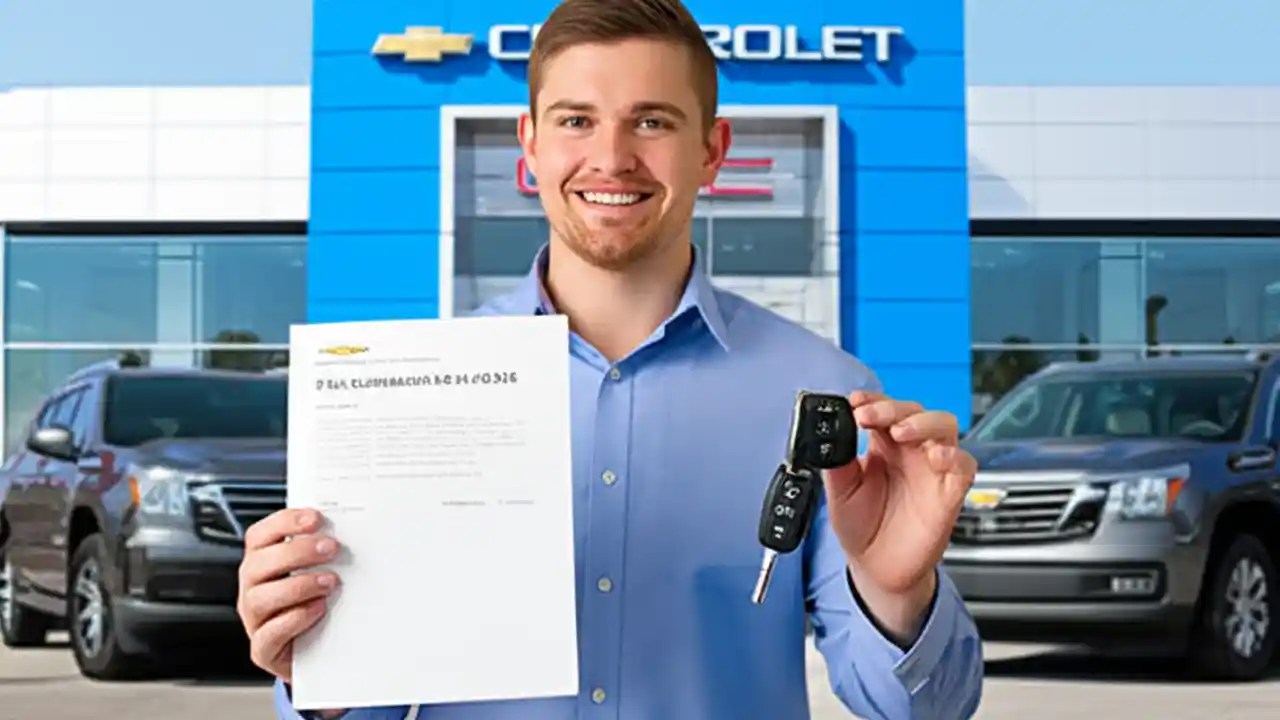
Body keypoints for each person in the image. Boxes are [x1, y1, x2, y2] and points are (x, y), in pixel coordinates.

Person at [237, 0, 984, 717]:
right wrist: (321, 672)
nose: (612, 158)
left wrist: (895, 595)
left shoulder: (825, 396)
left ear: (712, 151)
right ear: (529, 144)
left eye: (651, 121)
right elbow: (362, 712)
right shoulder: (410, 396)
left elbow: (923, 711)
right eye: (576, 121)